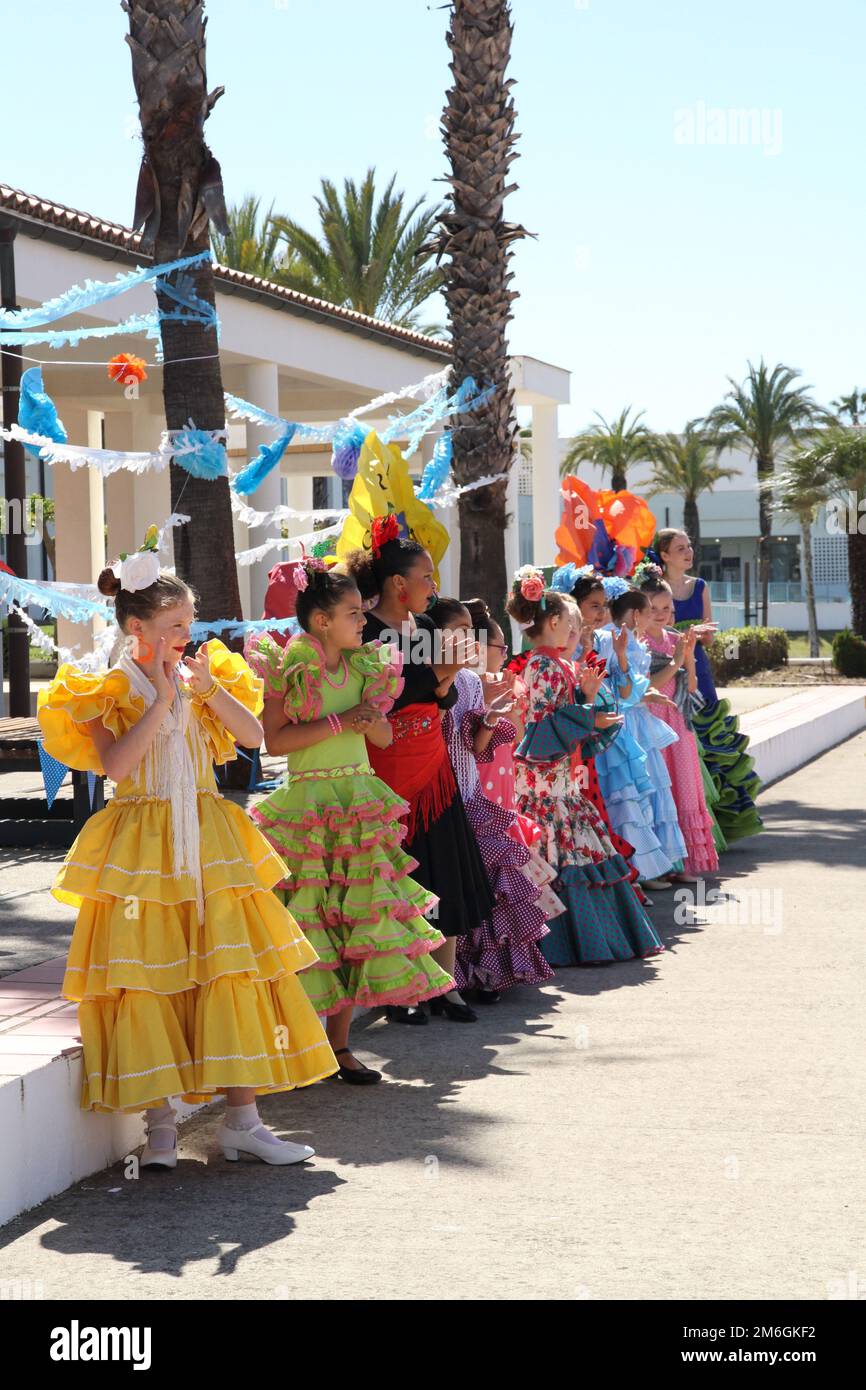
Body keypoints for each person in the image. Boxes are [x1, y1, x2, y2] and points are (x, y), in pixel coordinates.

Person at [37, 546, 337, 1169]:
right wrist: (161, 704)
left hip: (208, 837)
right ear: (135, 629)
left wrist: (207, 694)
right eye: (174, 626)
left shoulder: (206, 676)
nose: (186, 636)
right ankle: (161, 1131)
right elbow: (116, 766)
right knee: (150, 975)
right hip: (142, 843)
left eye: (189, 624)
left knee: (231, 969)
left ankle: (243, 1121)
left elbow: (255, 738)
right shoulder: (107, 688)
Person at [246, 558, 453, 1083]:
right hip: (308, 809)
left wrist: (371, 721)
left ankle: (339, 1049)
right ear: (321, 621)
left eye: (361, 613)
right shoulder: (291, 668)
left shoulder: (368, 667)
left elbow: (380, 737)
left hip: (359, 804)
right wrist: (342, 720)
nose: (363, 622)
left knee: (355, 925)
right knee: (306, 926)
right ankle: (294, 1046)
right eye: (353, 614)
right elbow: (277, 740)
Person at [345, 517, 494, 1023]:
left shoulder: (427, 628)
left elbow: (443, 698)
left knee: (443, 869)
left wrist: (445, 678)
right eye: (427, 578)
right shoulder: (366, 631)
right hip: (387, 761)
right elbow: (384, 695)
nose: (434, 587)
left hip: (433, 760)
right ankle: (402, 987)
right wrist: (440, 675)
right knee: (396, 876)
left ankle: (443, 982)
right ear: (397, 584)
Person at [508, 571, 663, 966]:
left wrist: (585, 700)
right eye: (575, 625)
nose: (580, 633)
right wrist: (587, 713)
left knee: (567, 844)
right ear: (555, 623)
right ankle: (568, 941)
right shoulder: (545, 666)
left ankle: (578, 939)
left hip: (557, 778)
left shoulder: (555, 665)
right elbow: (541, 726)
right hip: (546, 781)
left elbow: (556, 717)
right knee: (560, 844)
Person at [429, 598, 554, 1001]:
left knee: (481, 887)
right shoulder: (425, 679)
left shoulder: (470, 682)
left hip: (470, 796)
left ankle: (481, 976)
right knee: (451, 890)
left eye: (470, 632)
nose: (467, 640)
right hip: (437, 799)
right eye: (458, 632)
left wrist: (490, 718)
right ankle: (448, 982)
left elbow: (478, 748)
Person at [656, 528, 762, 842]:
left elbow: (711, 636)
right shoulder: (653, 588)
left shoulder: (700, 586)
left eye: (689, 547)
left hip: (697, 667)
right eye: (680, 548)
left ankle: (717, 826)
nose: (688, 553)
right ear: (664, 555)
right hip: (664, 666)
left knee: (709, 736)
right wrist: (680, 632)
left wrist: (696, 632)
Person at [637, 570, 720, 879]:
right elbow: (646, 687)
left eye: (666, 608)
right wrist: (675, 661)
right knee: (658, 790)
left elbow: (693, 685)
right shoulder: (637, 642)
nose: (660, 615)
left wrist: (687, 657)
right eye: (653, 608)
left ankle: (684, 862)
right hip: (652, 721)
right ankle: (659, 867)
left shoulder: (675, 638)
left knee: (684, 787)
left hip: (679, 720)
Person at [605, 585, 688, 879]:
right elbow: (619, 691)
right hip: (626, 722)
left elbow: (635, 688)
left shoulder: (635, 643)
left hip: (639, 720)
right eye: (650, 610)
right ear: (637, 614)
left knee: (648, 791)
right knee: (631, 795)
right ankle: (636, 870)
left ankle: (650, 868)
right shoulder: (610, 640)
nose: (655, 616)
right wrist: (647, 694)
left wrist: (648, 694)